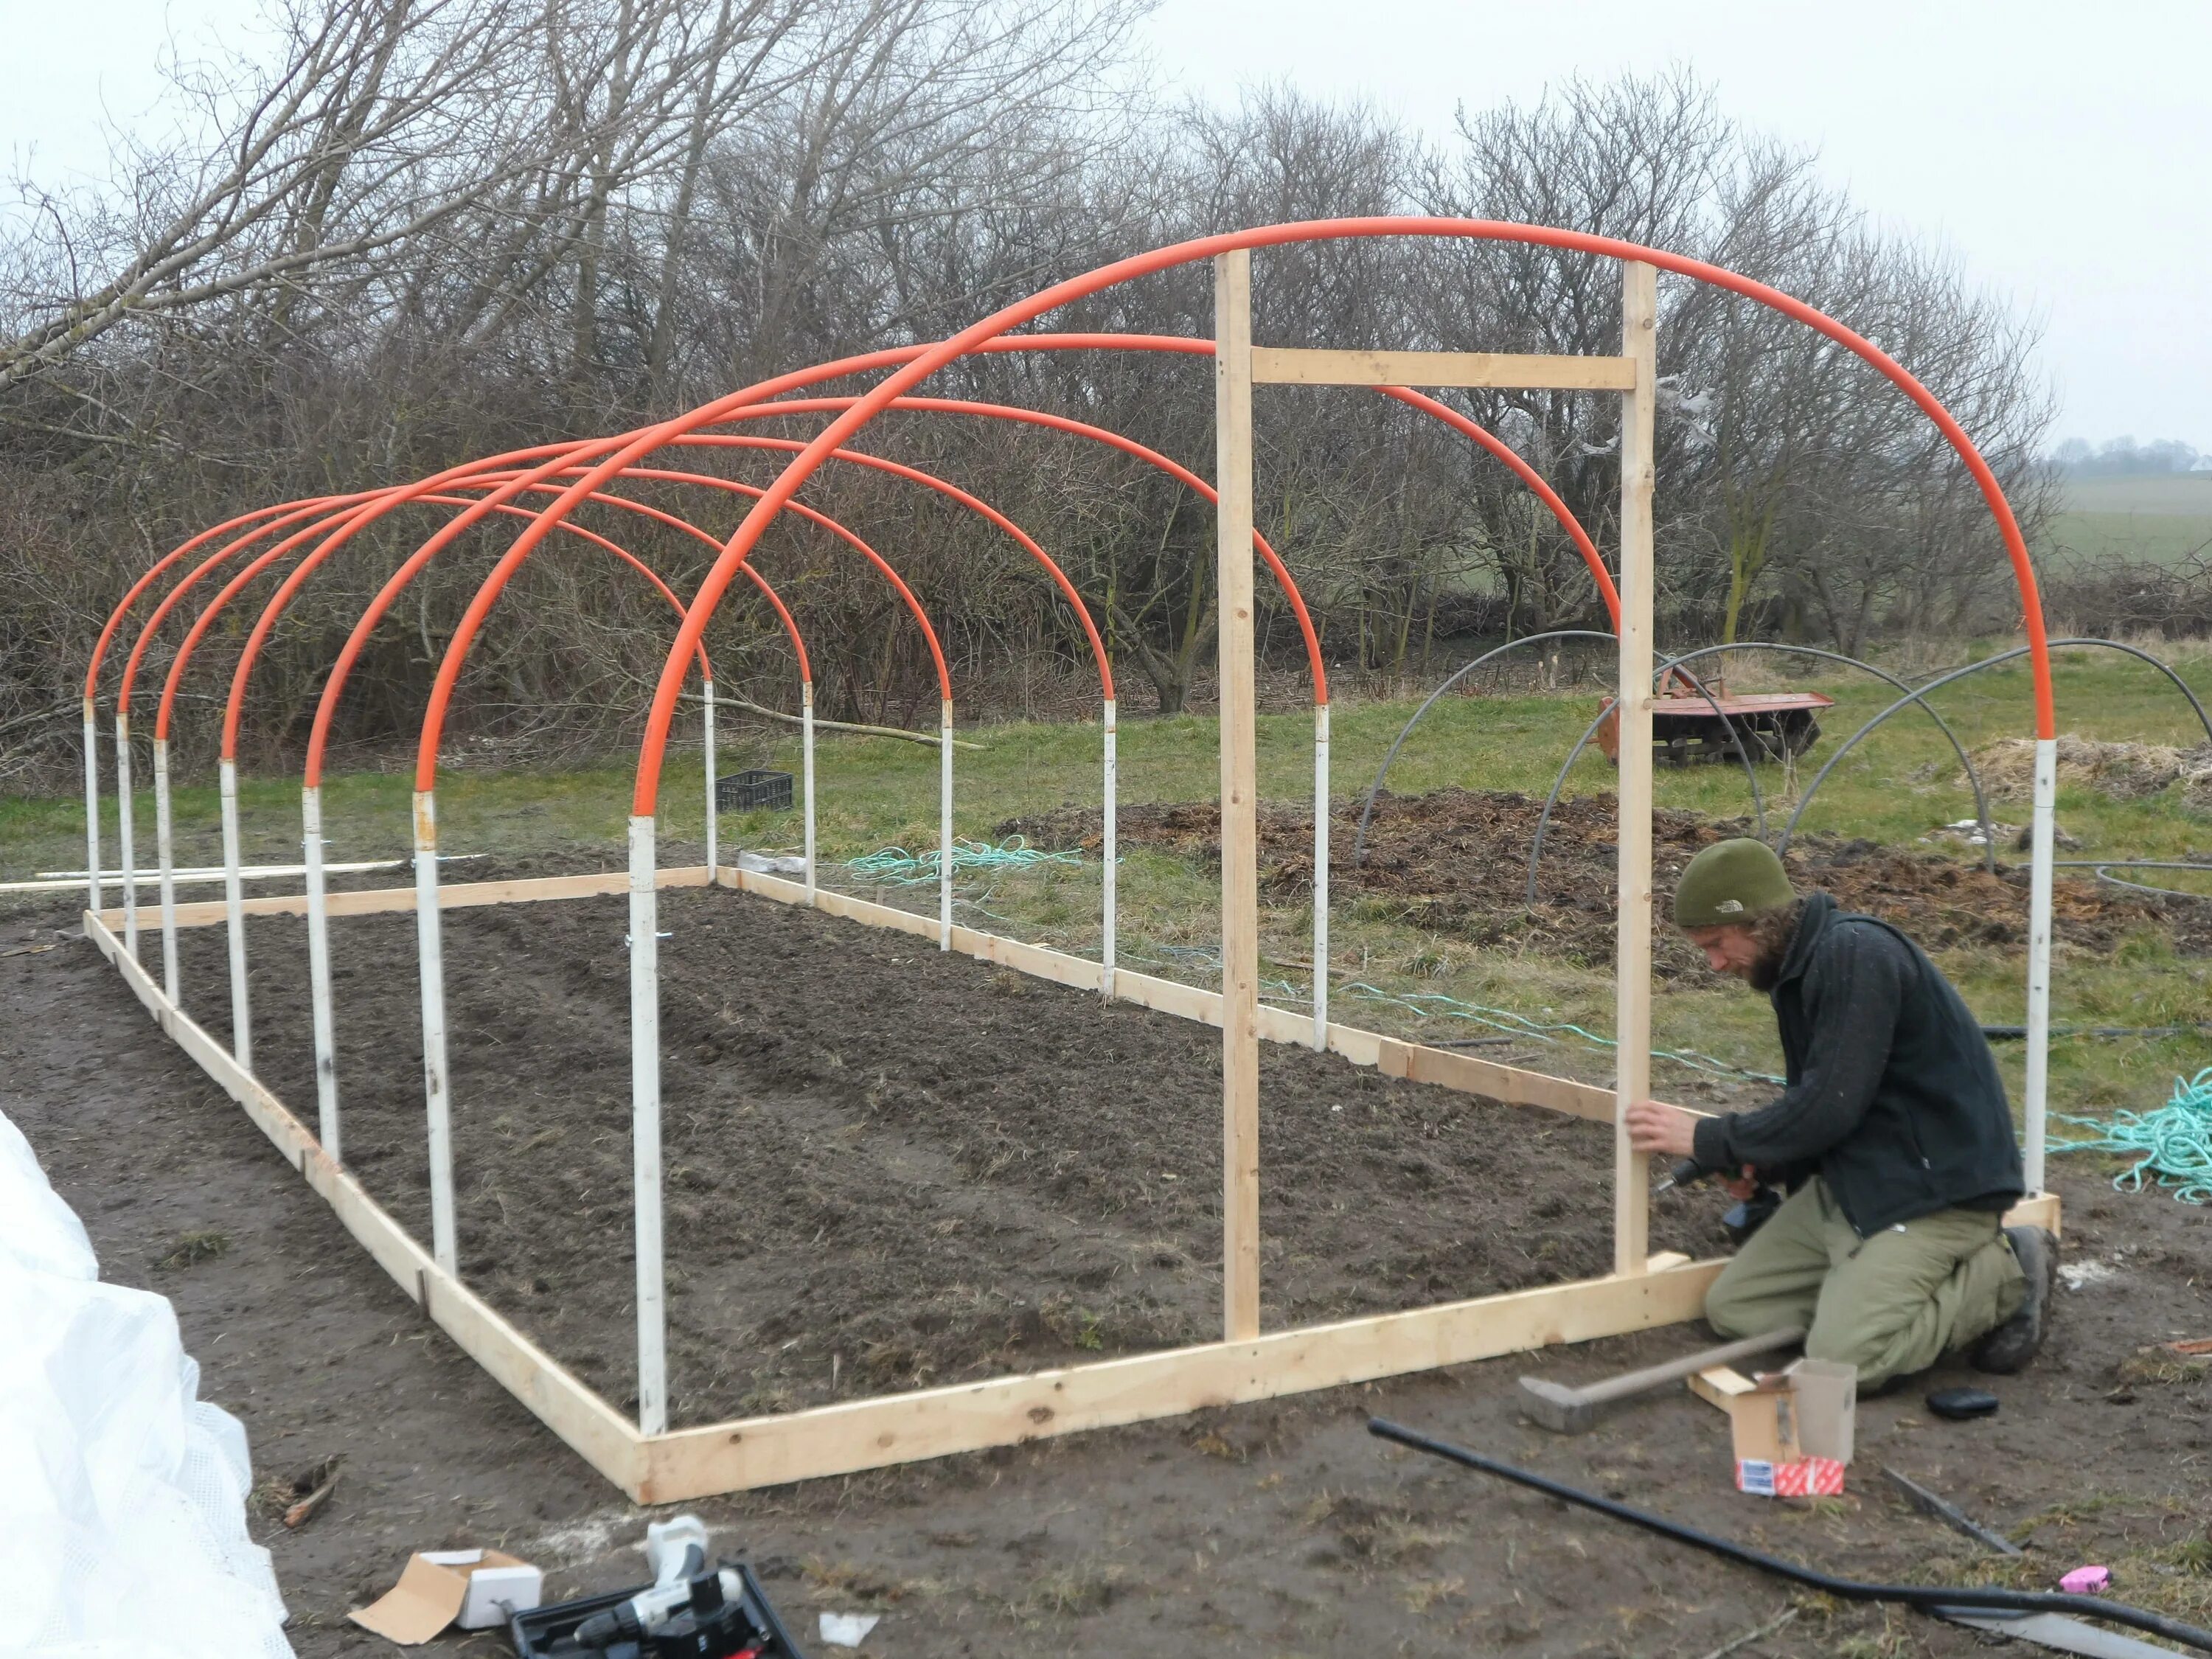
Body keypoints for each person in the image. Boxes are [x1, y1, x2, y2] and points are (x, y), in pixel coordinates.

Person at [1623, 838, 2057, 1391]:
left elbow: (1830, 1108)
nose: (1713, 964)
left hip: (1934, 1193)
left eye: (1717, 943)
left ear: (1761, 921)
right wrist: (1768, 1163)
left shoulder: (1856, 955)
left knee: (1840, 1362)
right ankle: (1862, 1293)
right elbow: (1828, 1104)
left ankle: (2009, 1270)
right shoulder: (1795, 973)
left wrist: (1711, 1139)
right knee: (1736, 1309)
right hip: (1859, 1183)